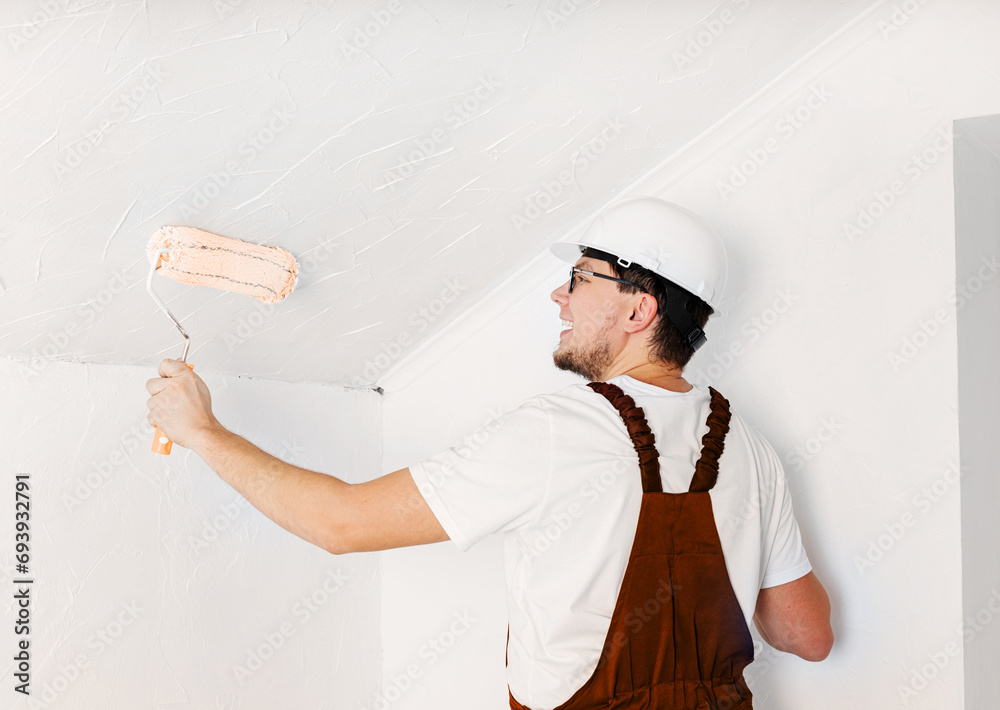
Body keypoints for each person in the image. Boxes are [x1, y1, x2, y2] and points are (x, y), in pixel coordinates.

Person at [146, 196, 833, 710]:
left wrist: (206, 432)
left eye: (581, 278)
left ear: (638, 310)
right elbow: (807, 635)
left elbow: (342, 524)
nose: (559, 295)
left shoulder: (559, 433)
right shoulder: (749, 448)